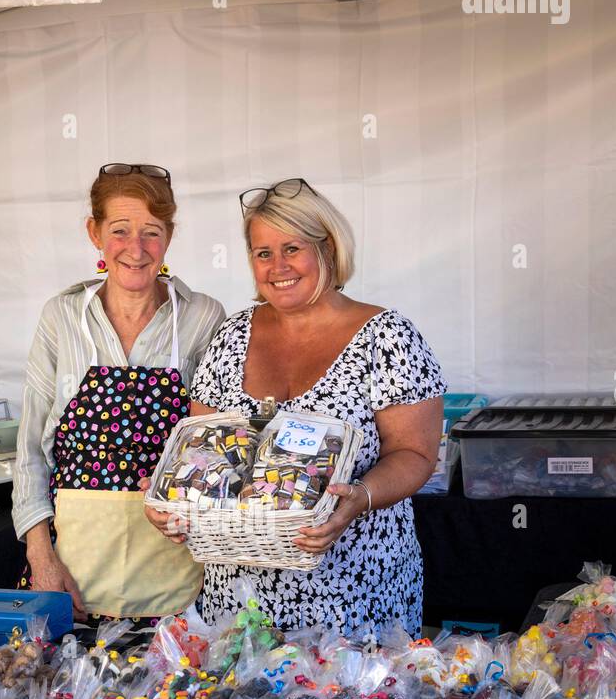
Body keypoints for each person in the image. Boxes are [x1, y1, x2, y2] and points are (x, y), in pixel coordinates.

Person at [143, 178, 446, 635]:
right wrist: (173, 500)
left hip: (355, 595)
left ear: (327, 248)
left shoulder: (388, 337)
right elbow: (201, 451)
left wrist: (355, 501)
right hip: (238, 602)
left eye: (292, 248)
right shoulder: (231, 336)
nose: (277, 266)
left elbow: (416, 454)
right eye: (263, 253)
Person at [13, 164, 225, 622]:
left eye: (151, 232)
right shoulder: (61, 317)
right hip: (73, 572)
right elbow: (30, 447)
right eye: (120, 230)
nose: (136, 249)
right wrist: (41, 558)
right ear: (94, 232)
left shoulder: (203, 316)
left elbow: (217, 448)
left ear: (168, 237)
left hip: (177, 570)